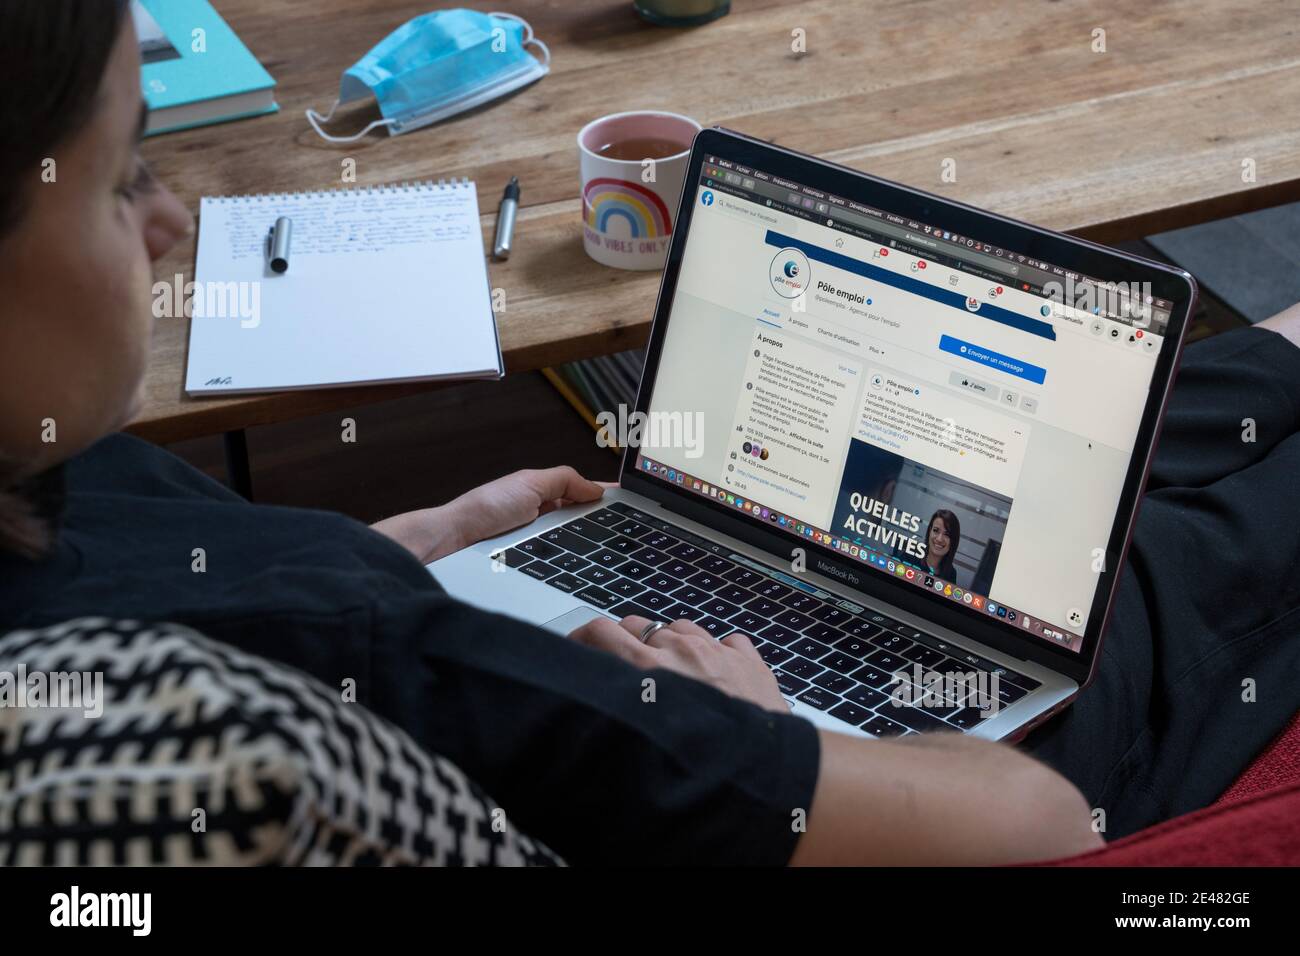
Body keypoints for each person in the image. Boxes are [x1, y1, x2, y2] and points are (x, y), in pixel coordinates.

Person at [1, 2, 1296, 865]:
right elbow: (1048, 828)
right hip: (894, 759)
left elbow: (241, 596)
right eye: (126, 175)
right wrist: (771, 734)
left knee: (1171, 394)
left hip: (551, 615)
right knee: (1166, 555)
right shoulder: (333, 695)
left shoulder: (49, 483)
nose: (169, 220)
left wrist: (420, 539)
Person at [923, 509, 960, 582]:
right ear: (929, 531)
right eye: (936, 530)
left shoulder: (951, 574)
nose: (939, 539)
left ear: (953, 541)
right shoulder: (909, 555)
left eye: (947, 534)